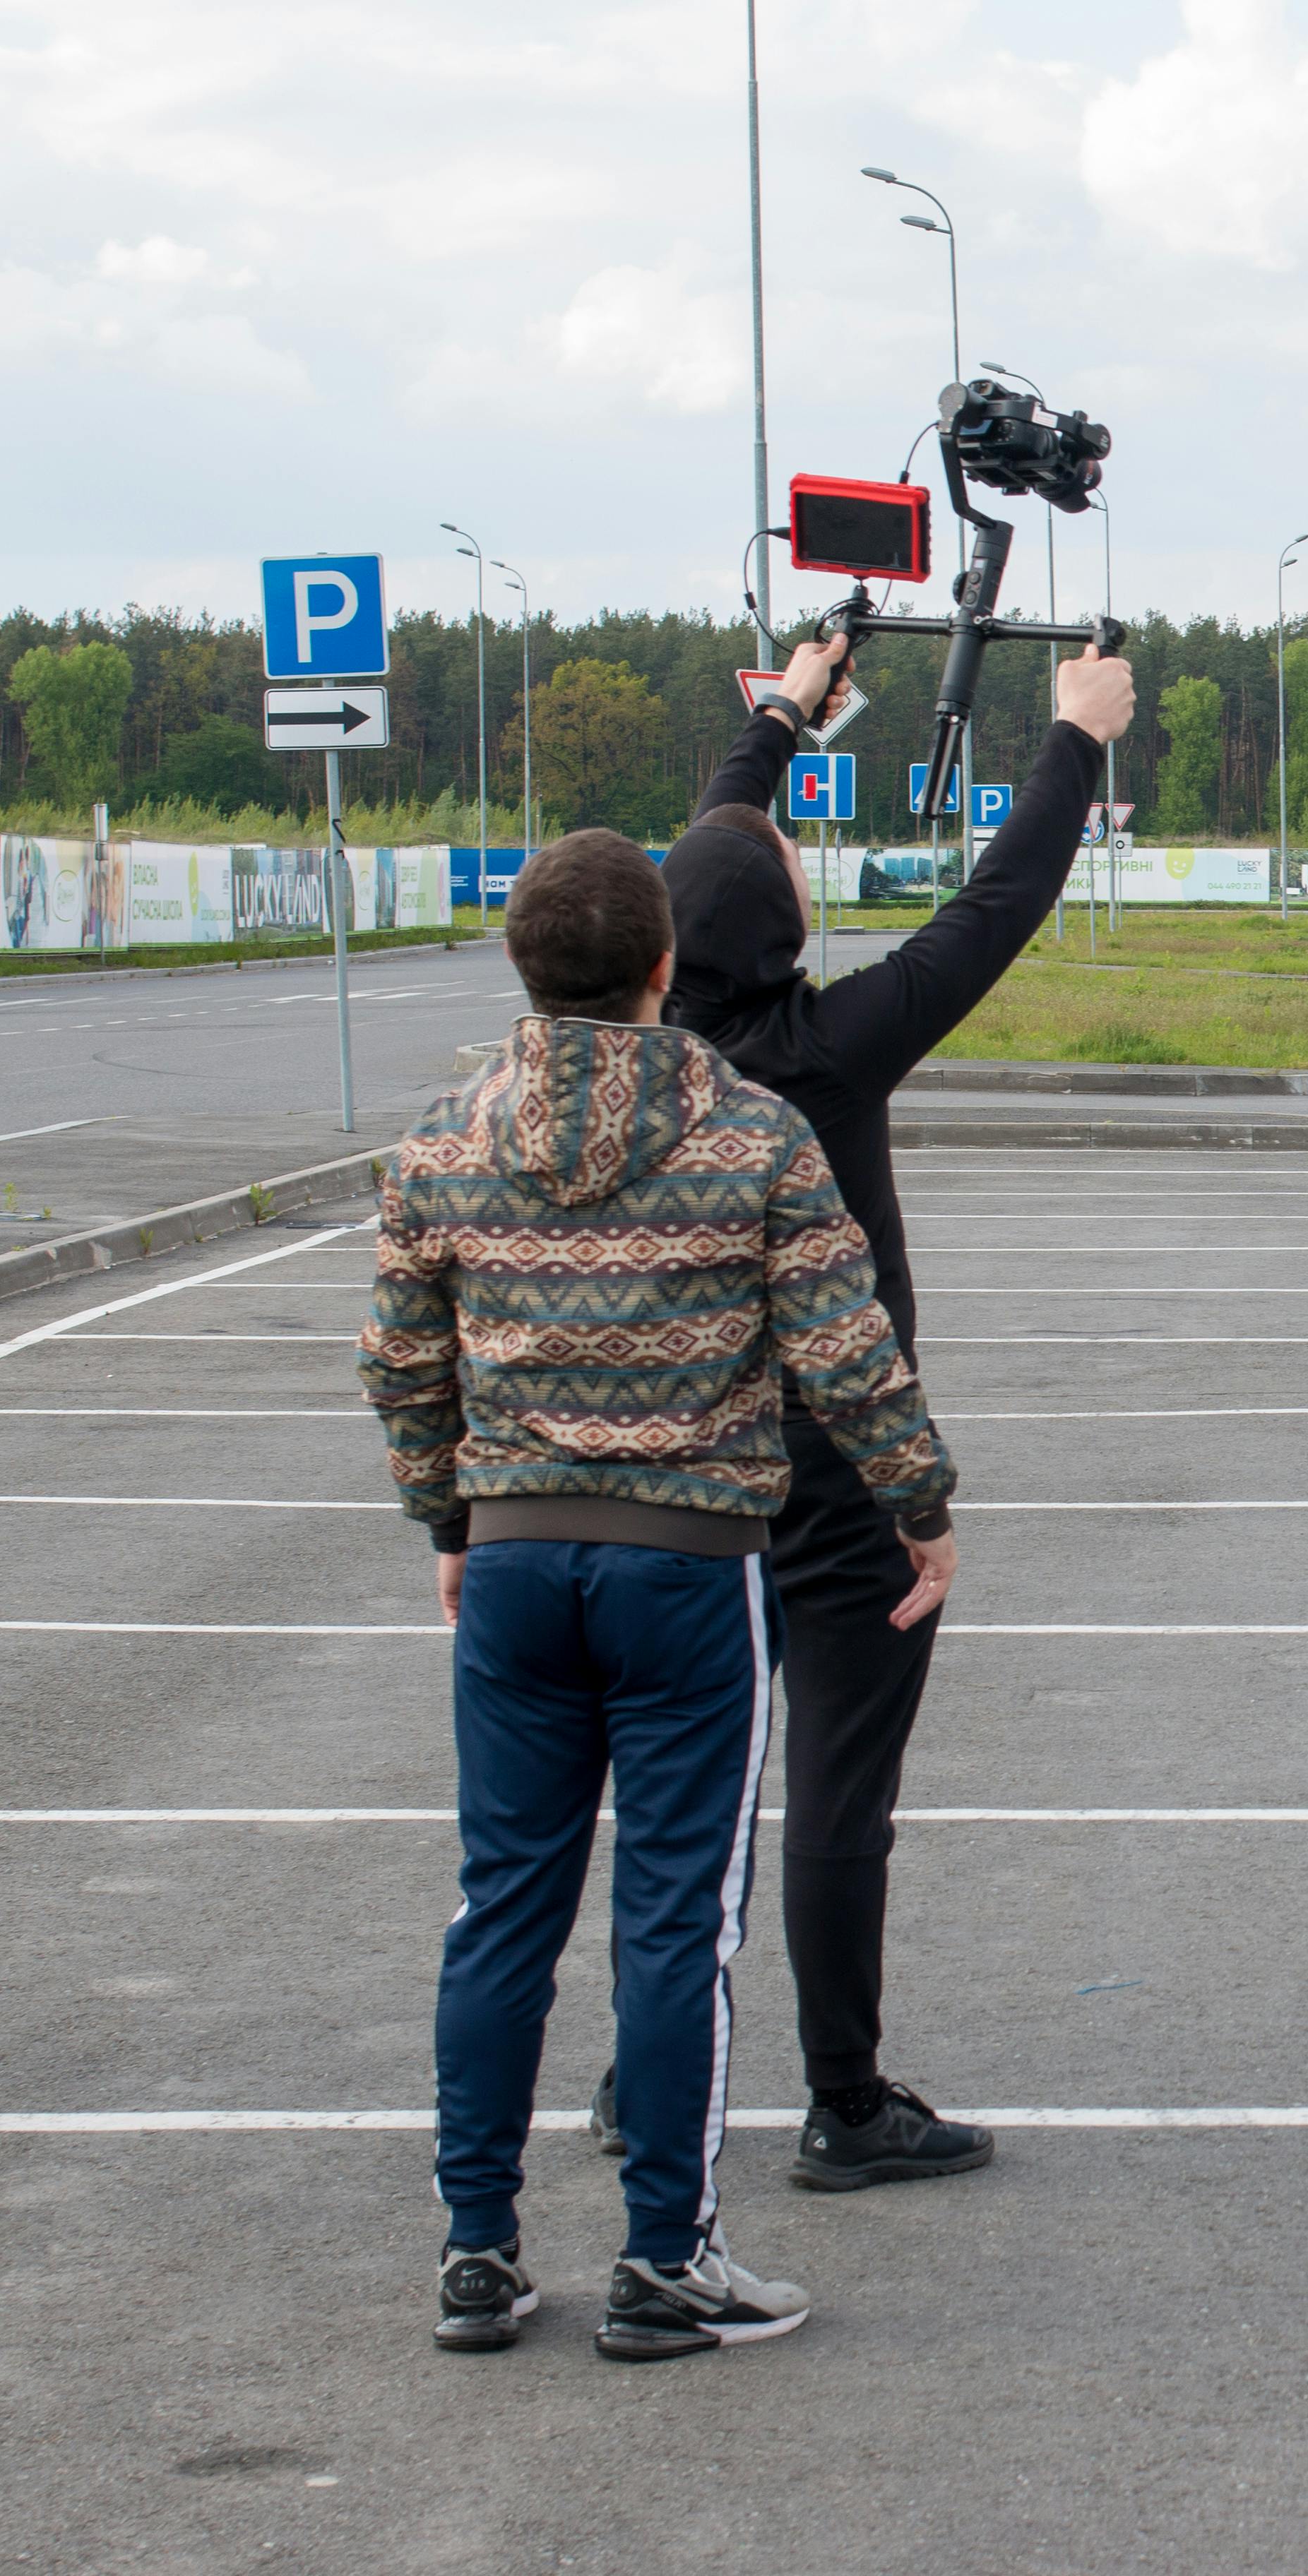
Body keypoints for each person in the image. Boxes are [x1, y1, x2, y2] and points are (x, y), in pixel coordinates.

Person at [362, 829, 958, 2359]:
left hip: (513, 1560)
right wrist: (919, 1504)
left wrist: (449, 1515)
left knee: (503, 1907)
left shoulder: (441, 1139)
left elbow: (402, 1364)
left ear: (520, 962)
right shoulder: (753, 1135)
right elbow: (844, 1347)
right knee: (674, 1921)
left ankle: (478, 2250)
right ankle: (666, 2258)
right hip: (690, 1568)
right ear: (661, 967)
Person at [624, 631, 1135, 2189]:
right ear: (786, 925)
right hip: (839, 1479)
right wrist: (1076, 735)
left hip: (677, 1472)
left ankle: (650, 2066)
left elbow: (707, 860)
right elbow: (998, 908)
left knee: (687, 1796)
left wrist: (786, 715)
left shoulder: (644, 1063)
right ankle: (843, 2104)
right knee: (839, 1792)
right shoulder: (829, 1056)